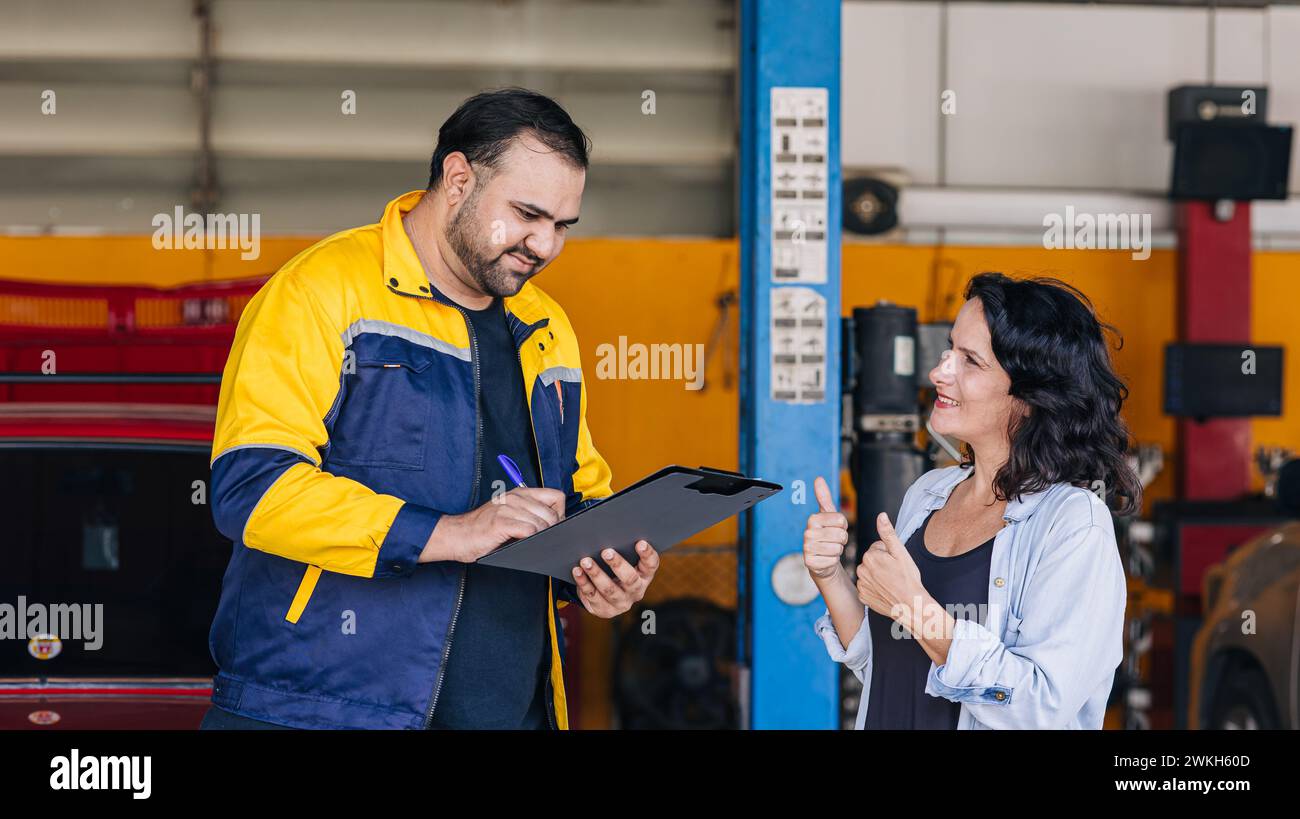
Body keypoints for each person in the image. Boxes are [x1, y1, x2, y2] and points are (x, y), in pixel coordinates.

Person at [201, 88, 660, 731]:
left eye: (562, 225)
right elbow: (253, 488)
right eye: (527, 214)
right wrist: (450, 532)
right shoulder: (320, 291)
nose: (545, 245)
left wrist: (602, 572)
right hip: (320, 711)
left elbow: (576, 495)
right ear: (458, 178)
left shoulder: (546, 326)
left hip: (511, 714)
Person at [803, 272, 1138, 729]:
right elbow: (888, 667)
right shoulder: (928, 494)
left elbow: (1038, 706)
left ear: (1030, 394)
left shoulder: (1073, 523)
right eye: (949, 350)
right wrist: (829, 575)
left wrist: (915, 608)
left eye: (970, 361)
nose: (939, 372)